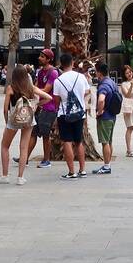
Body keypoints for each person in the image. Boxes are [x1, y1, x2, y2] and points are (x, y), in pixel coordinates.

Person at [0, 64, 36, 185]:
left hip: (14, 120)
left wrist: (7, 122)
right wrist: (36, 106)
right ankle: (20, 177)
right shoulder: (30, 87)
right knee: (23, 148)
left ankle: (5, 176)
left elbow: (5, 108)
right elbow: (48, 97)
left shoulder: (10, 88)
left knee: (5, 146)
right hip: (28, 120)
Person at [52, 51, 91, 179]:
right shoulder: (80, 77)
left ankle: (71, 172)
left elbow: (56, 100)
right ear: (72, 63)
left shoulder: (58, 81)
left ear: (61, 65)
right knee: (79, 142)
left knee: (67, 142)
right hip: (79, 113)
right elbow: (87, 91)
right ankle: (82, 170)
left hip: (64, 114)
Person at [24, 48, 58, 169]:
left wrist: (31, 89)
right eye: (40, 56)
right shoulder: (40, 71)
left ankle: (47, 160)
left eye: (42, 57)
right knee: (33, 133)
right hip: (39, 106)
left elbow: (46, 90)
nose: (39, 58)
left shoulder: (53, 73)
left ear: (48, 59)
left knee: (45, 135)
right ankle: (25, 158)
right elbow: (38, 86)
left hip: (49, 107)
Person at [93, 61, 120, 175]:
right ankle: (107, 164)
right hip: (112, 115)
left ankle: (106, 166)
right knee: (109, 141)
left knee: (105, 142)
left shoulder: (103, 85)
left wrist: (99, 111)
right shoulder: (112, 82)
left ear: (99, 73)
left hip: (105, 117)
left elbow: (101, 99)